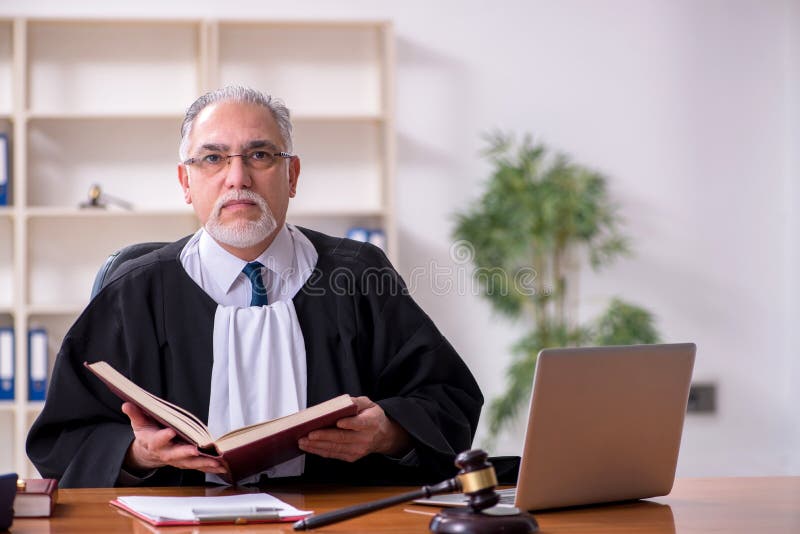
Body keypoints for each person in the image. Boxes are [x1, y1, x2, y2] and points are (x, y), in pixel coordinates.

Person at [26, 86, 483, 488]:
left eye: (260, 155)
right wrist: (137, 453)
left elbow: (447, 400)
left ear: (293, 175)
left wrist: (388, 432)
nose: (237, 177)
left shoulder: (360, 275)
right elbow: (62, 438)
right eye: (213, 158)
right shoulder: (134, 292)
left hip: (335, 521)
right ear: (186, 182)